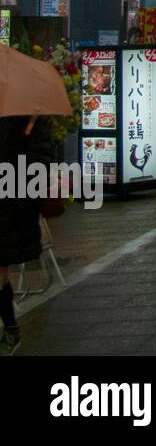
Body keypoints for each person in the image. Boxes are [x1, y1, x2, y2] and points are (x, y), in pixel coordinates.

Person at [0, 114, 56, 354]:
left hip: (11, 205)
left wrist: (23, 193)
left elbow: (41, 160)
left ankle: (10, 329)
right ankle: (10, 328)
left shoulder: (31, 114)